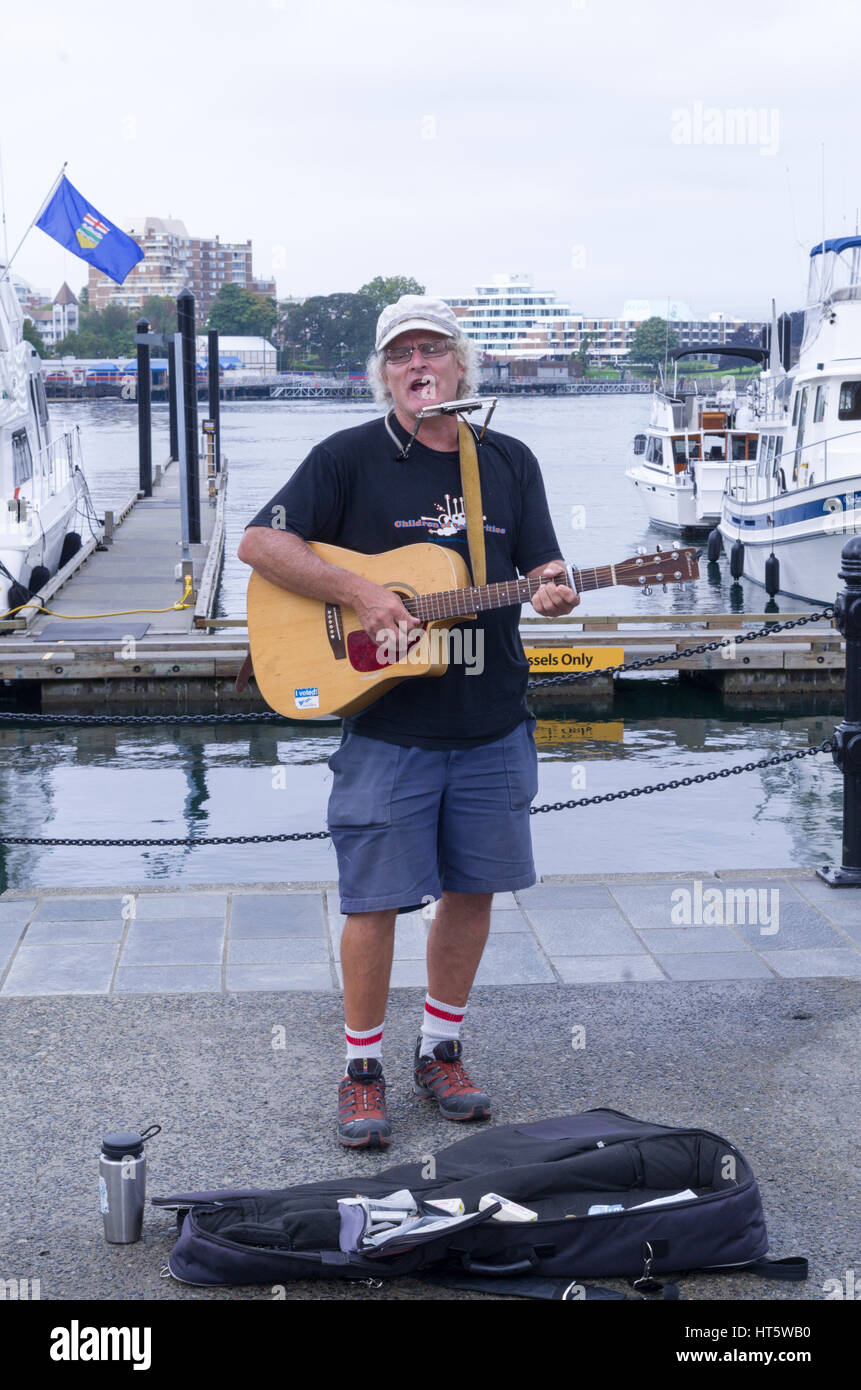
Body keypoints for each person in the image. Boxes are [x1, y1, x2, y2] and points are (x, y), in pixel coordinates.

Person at [237, 295, 578, 1149]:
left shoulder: (506, 460)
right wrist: (362, 593)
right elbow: (260, 545)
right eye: (399, 356)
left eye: (431, 351)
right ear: (383, 374)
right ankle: (361, 1070)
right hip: (389, 727)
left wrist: (556, 586)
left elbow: (541, 559)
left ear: (462, 366)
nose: (416, 366)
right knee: (375, 900)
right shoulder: (346, 458)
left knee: (473, 890)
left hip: (494, 716)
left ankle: (440, 1049)